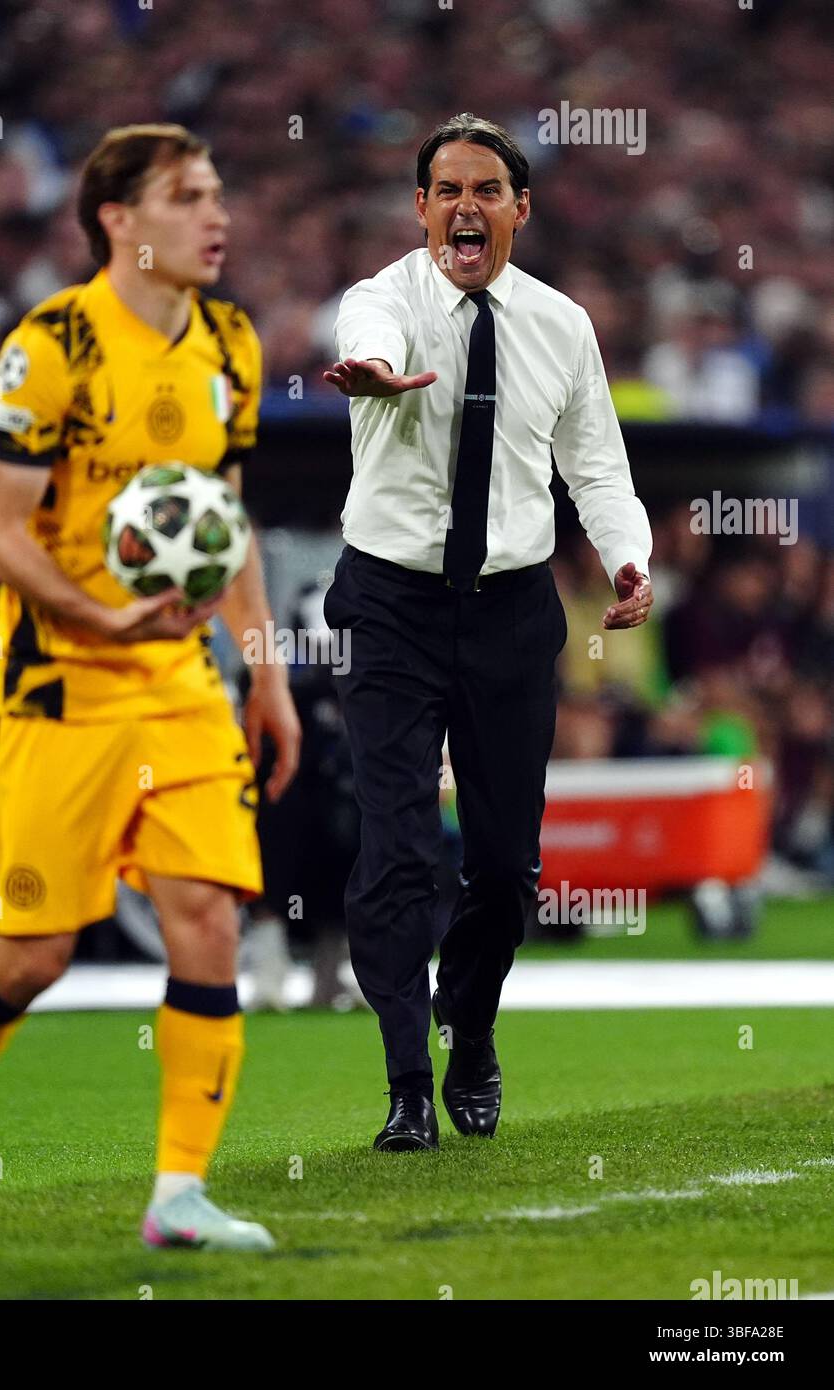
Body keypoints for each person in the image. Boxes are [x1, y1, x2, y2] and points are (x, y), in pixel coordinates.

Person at [0, 123, 301, 1249]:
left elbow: (222, 526)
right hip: (56, 683)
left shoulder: (229, 344)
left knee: (208, 918)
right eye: (187, 196)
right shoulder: (54, 346)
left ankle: (178, 1192)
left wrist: (263, 674)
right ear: (118, 220)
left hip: (177, 685)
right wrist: (98, 611)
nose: (215, 215)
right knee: (36, 950)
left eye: (218, 193)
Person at [322, 113, 654, 1151]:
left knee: (507, 865)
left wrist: (627, 553)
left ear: (519, 209)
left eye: (485, 189)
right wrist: (373, 372)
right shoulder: (379, 301)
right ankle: (405, 1081)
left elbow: (593, 461)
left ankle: (469, 1027)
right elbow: (363, 339)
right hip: (390, 602)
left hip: (512, 609)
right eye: (445, 189)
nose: (464, 205)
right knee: (399, 848)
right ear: (421, 208)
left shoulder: (561, 324)